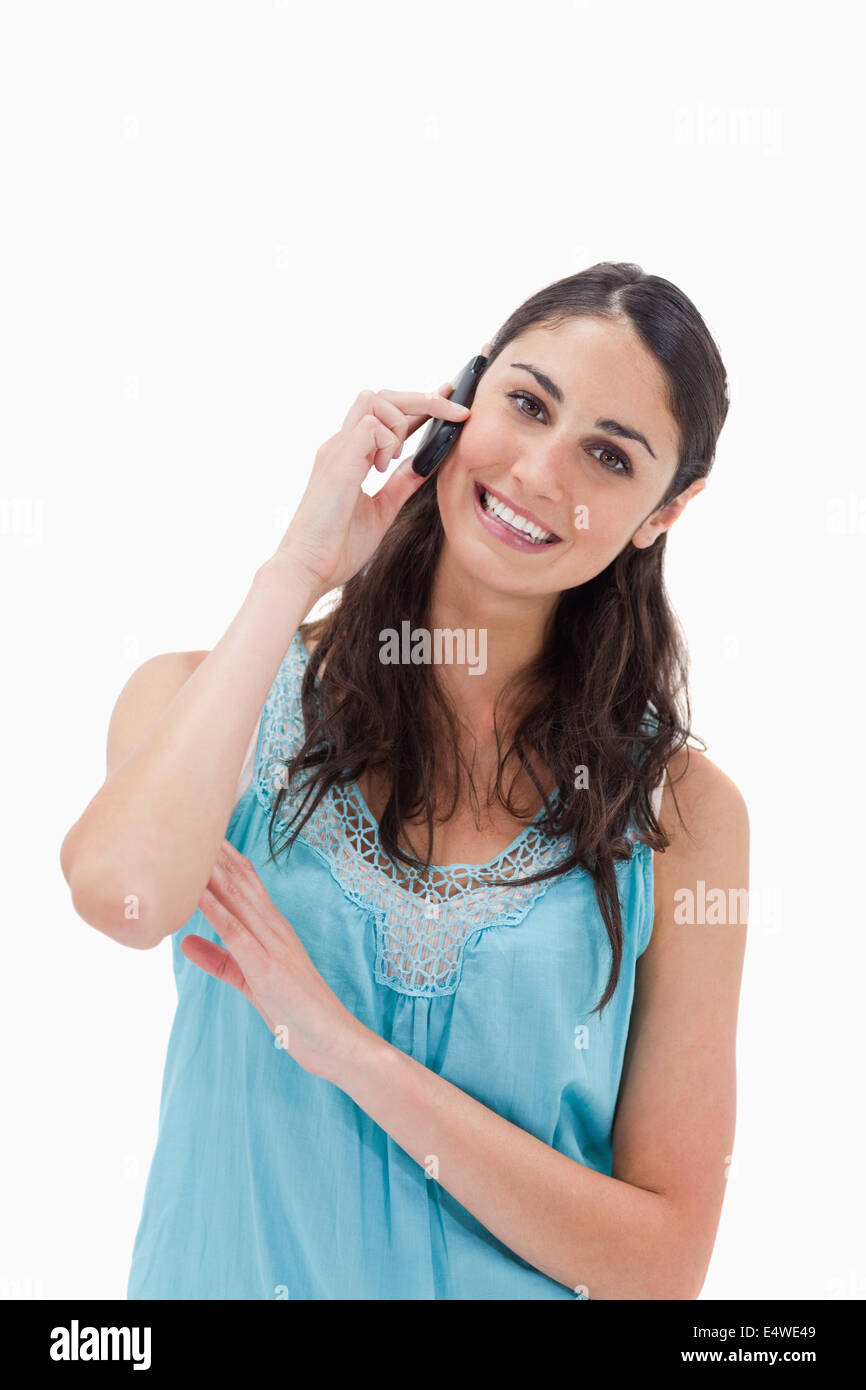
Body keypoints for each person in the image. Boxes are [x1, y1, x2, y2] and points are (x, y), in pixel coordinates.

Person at [60, 261, 749, 1300]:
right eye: (525, 404)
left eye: (607, 457)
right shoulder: (205, 699)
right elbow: (120, 896)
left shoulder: (684, 816)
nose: (537, 472)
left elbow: (658, 1268)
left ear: (662, 511)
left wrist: (342, 1047)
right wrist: (296, 566)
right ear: (458, 398)